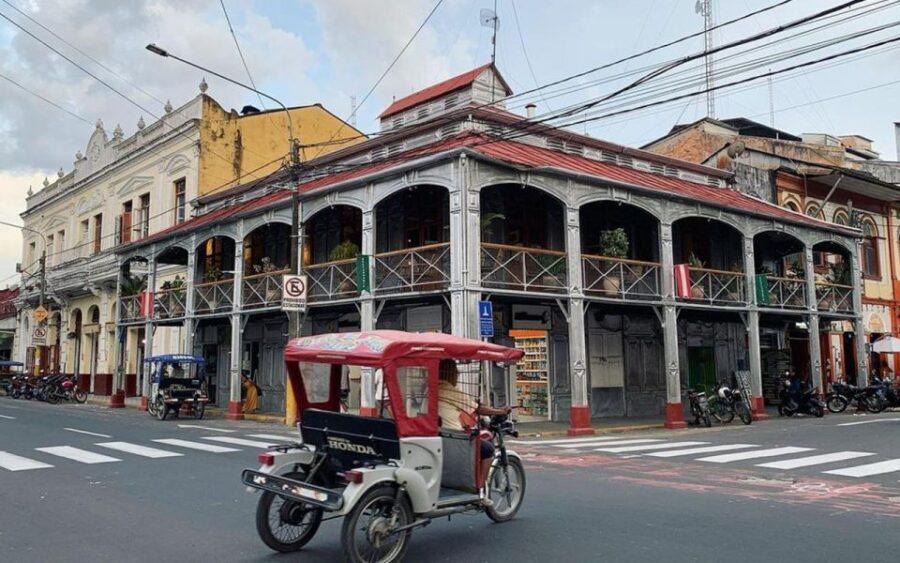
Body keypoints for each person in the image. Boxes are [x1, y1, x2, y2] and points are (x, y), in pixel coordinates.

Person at [437, 359, 506, 489]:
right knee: (488, 449)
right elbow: (477, 408)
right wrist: (500, 411)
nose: (457, 375)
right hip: (452, 437)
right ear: (450, 373)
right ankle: (478, 488)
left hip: (435, 434)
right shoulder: (450, 390)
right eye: (456, 372)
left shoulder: (428, 388)